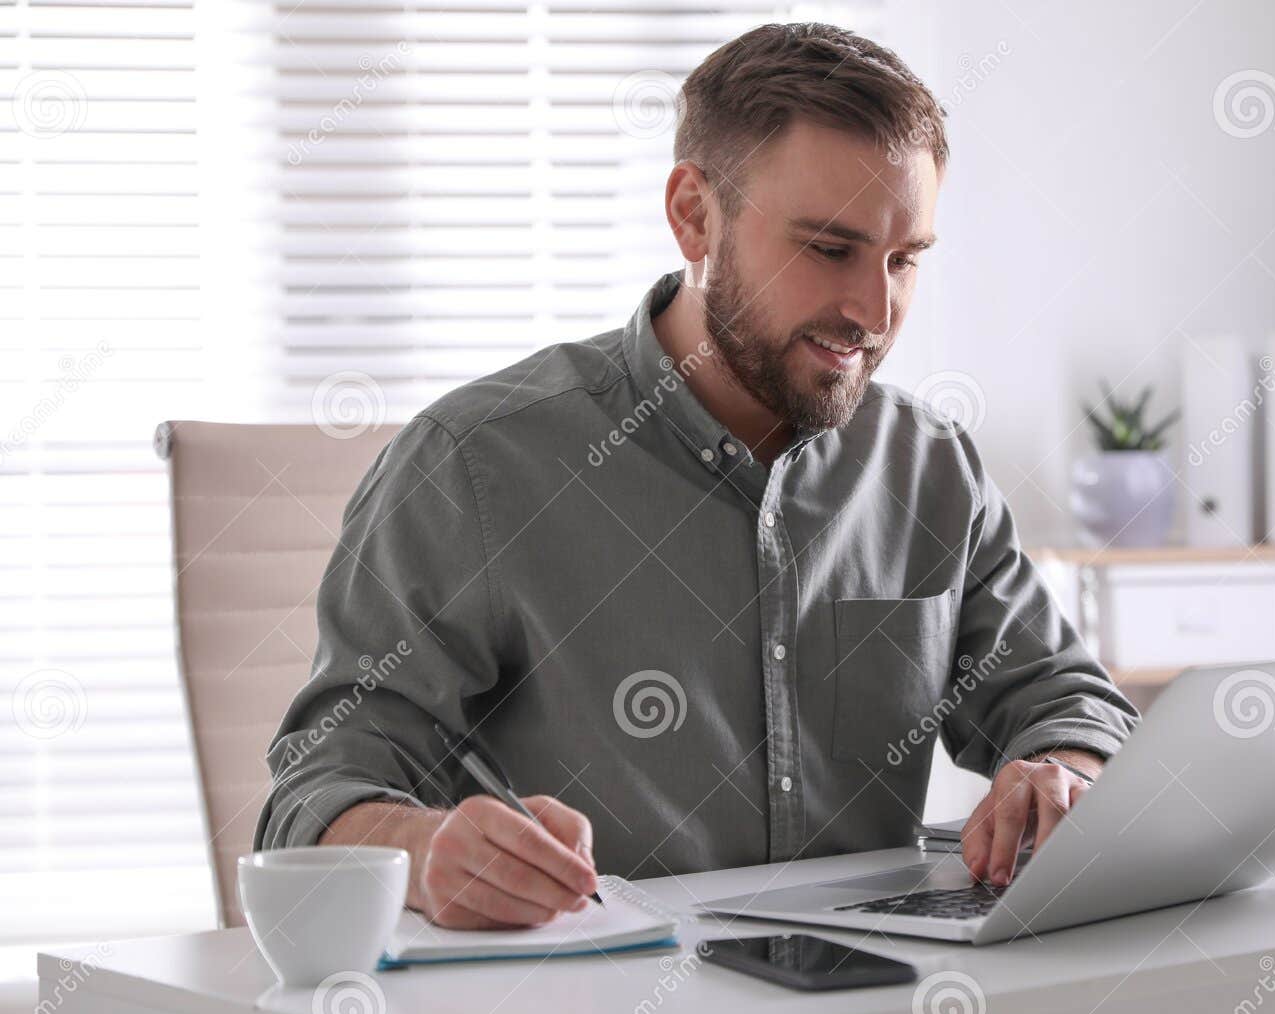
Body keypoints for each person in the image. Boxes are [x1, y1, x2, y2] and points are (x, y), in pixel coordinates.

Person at [254, 22, 1138, 930]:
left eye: (904, 259)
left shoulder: (928, 466)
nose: (874, 312)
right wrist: (425, 850)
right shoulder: (476, 464)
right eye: (829, 249)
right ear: (693, 215)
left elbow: (1066, 700)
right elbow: (315, 794)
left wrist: (1063, 774)